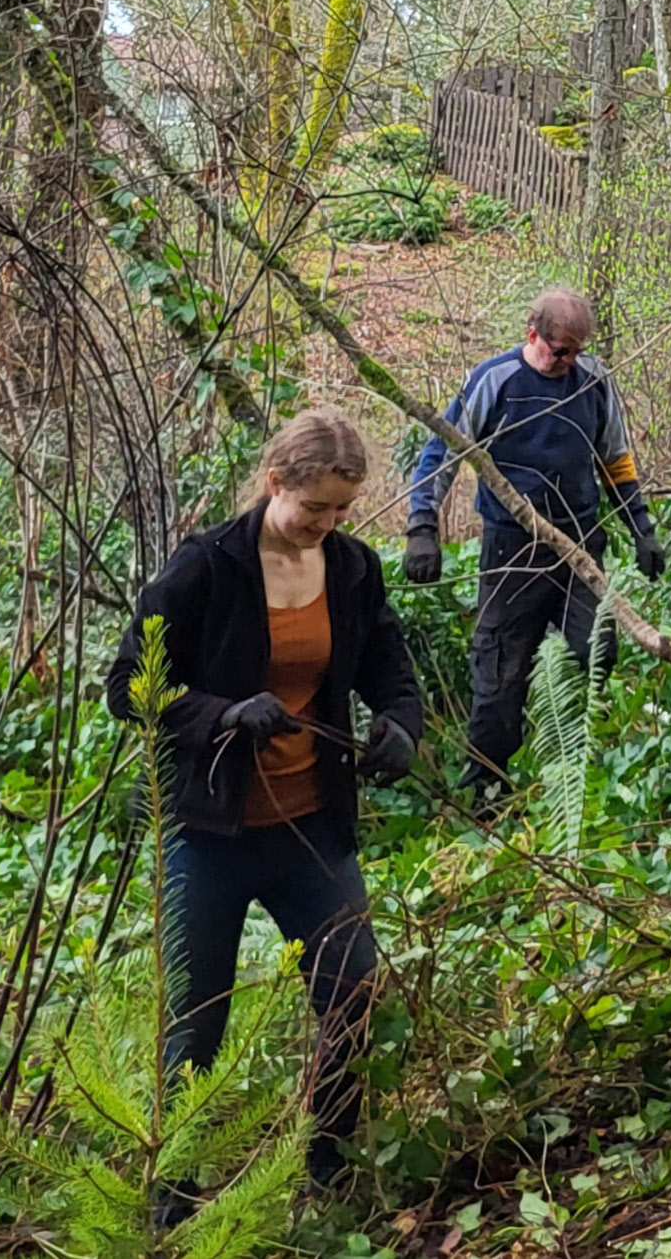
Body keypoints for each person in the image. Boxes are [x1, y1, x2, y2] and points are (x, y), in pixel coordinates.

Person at [105, 410, 423, 1215]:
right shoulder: (205, 566)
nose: (326, 524)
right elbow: (128, 685)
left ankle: (327, 1173)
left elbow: (389, 664)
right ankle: (172, 1203)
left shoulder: (351, 568)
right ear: (276, 480)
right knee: (195, 1022)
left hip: (310, 826)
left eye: (341, 510)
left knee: (353, 992)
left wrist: (400, 724)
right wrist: (221, 713)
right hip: (207, 833)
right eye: (314, 507)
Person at [403, 288, 666, 800]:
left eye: (577, 352)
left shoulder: (593, 382)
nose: (568, 362)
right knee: (499, 674)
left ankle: (577, 780)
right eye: (560, 351)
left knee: (595, 654)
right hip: (512, 550)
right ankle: (487, 789)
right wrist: (421, 527)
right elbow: (442, 452)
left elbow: (614, 459)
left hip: (580, 544)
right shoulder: (495, 380)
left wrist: (641, 528)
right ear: (532, 335)